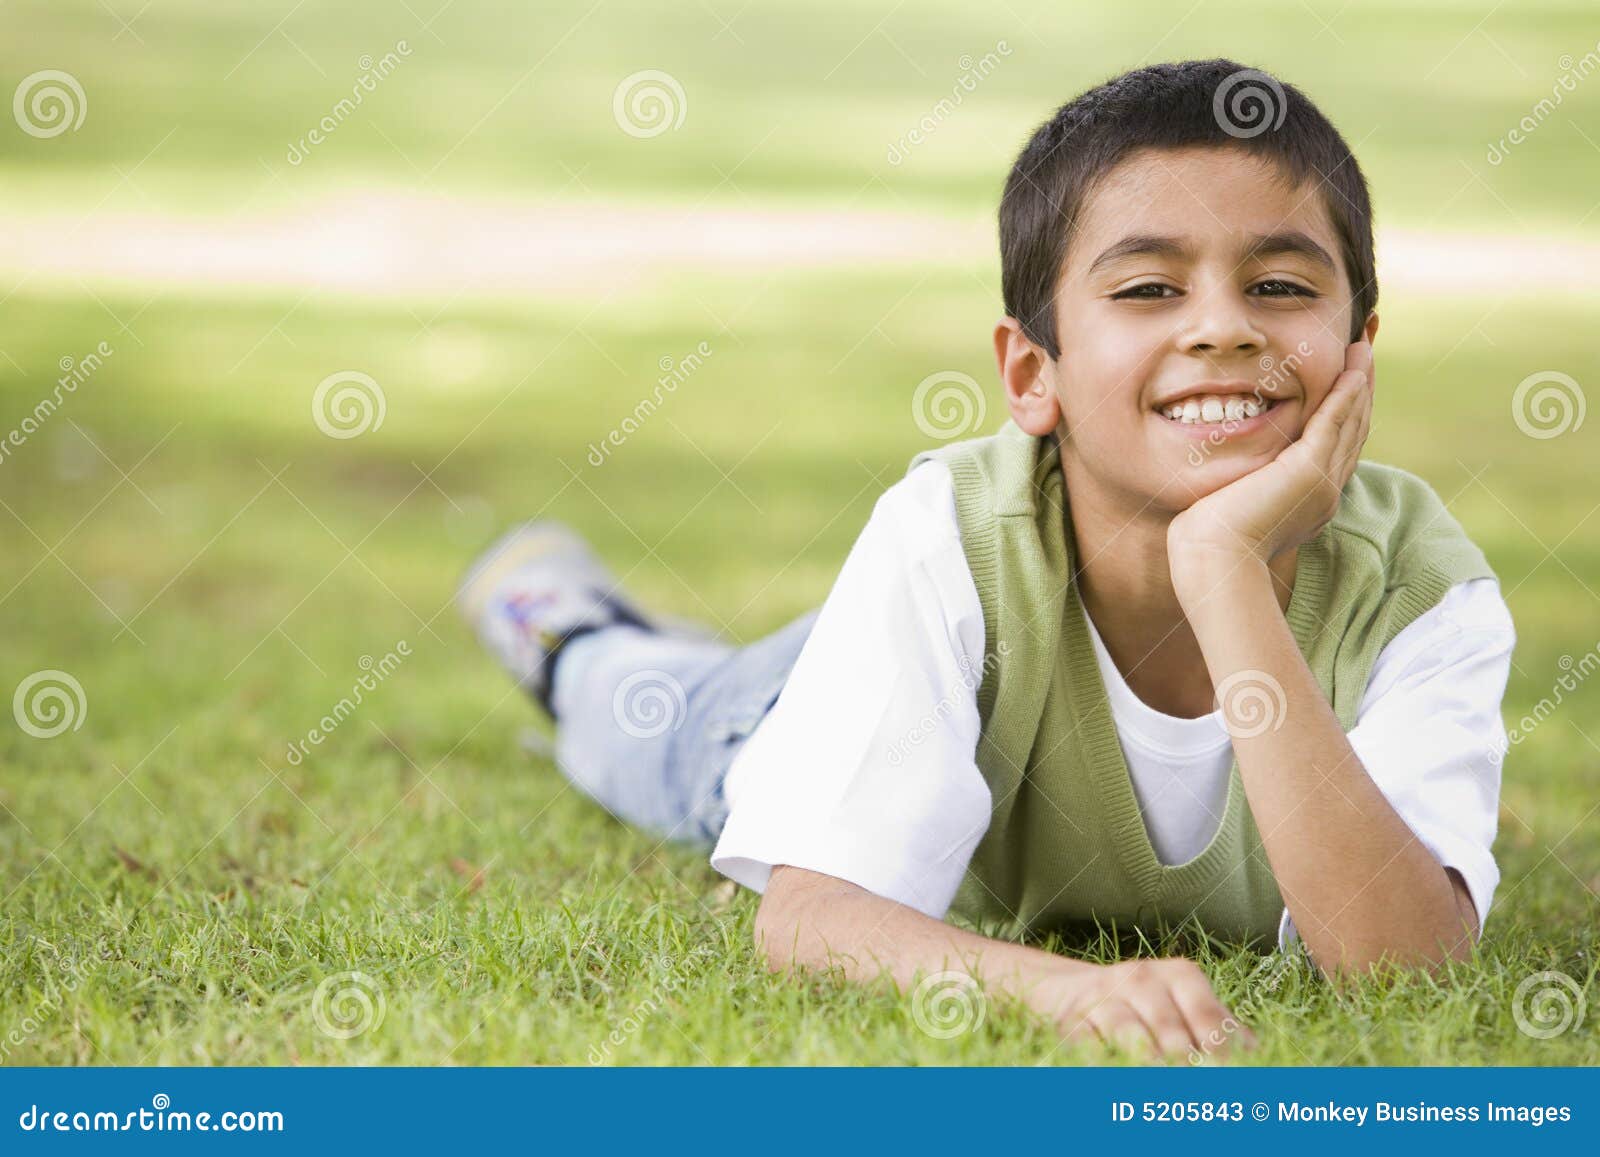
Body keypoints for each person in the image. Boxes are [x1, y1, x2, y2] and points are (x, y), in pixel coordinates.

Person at [457, 59, 1515, 1059]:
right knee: (646, 713)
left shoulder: (1421, 587)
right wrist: (1063, 993)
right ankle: (561, 621)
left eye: (1280, 285)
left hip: (943, 662)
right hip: (804, 698)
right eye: (1147, 289)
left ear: (1360, 346)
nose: (1224, 328)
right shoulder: (946, 535)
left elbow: (1403, 969)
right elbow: (809, 917)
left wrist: (1223, 569)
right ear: (1030, 373)